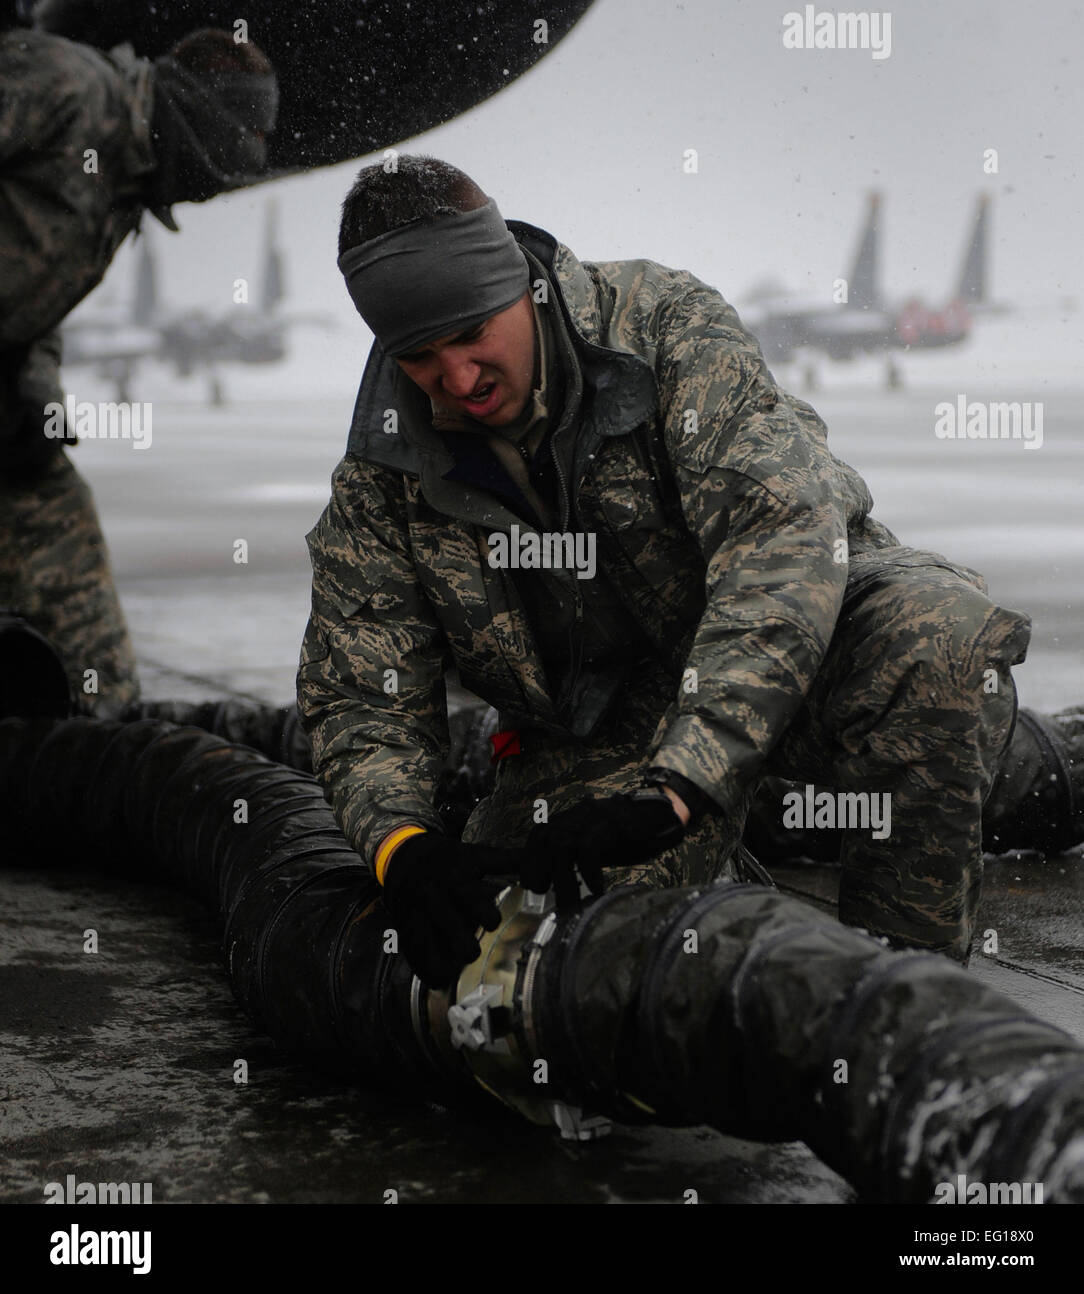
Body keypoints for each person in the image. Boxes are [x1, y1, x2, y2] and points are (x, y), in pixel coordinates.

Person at [297, 154, 1034, 989]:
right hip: (601, 729)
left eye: (472, 334)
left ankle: (909, 1010)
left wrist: (686, 779)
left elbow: (783, 539)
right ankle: (720, 897)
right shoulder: (384, 470)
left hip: (784, 648)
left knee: (933, 637)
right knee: (528, 960)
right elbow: (362, 685)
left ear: (522, 291)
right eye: (421, 358)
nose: (458, 381)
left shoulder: (664, 331)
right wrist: (403, 847)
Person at [0, 25, 278, 717]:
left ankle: (102, 751)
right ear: (197, 119)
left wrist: (34, 396)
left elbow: (33, 302)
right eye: (231, 155)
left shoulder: (124, 187)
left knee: (82, 631)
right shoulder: (63, 83)